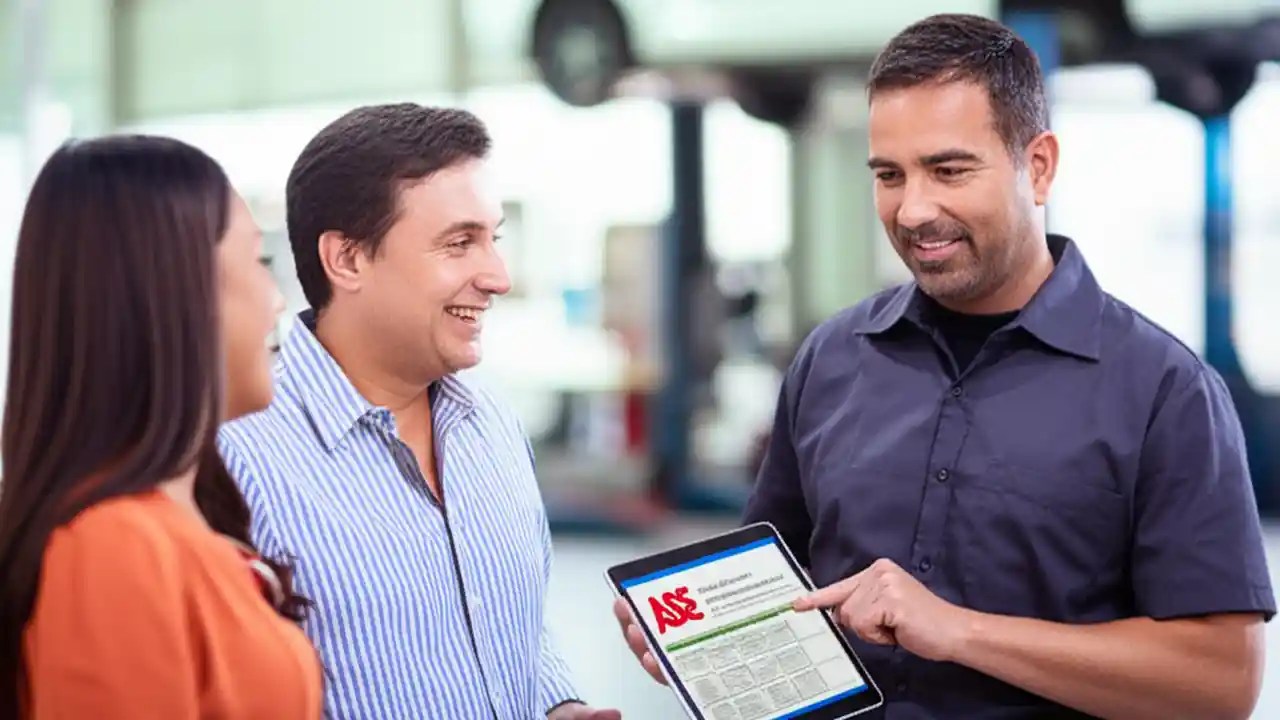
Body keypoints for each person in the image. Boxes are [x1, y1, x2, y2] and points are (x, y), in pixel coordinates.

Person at [615, 13, 1273, 720]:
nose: (914, 209)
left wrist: (959, 632)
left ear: (1039, 165)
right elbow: (779, 588)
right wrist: (700, 633)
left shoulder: (1163, 393)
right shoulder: (832, 361)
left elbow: (1219, 682)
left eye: (949, 169)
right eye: (889, 175)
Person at [216, 103, 620, 720]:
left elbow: (513, 624)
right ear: (346, 259)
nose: (498, 277)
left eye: (494, 239)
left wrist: (557, 703)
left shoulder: (492, 426)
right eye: (459, 243)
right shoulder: (236, 458)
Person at [0, 135, 322, 718]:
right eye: (257, 261)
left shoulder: (173, 526)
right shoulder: (114, 545)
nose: (277, 301)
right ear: (177, 291)